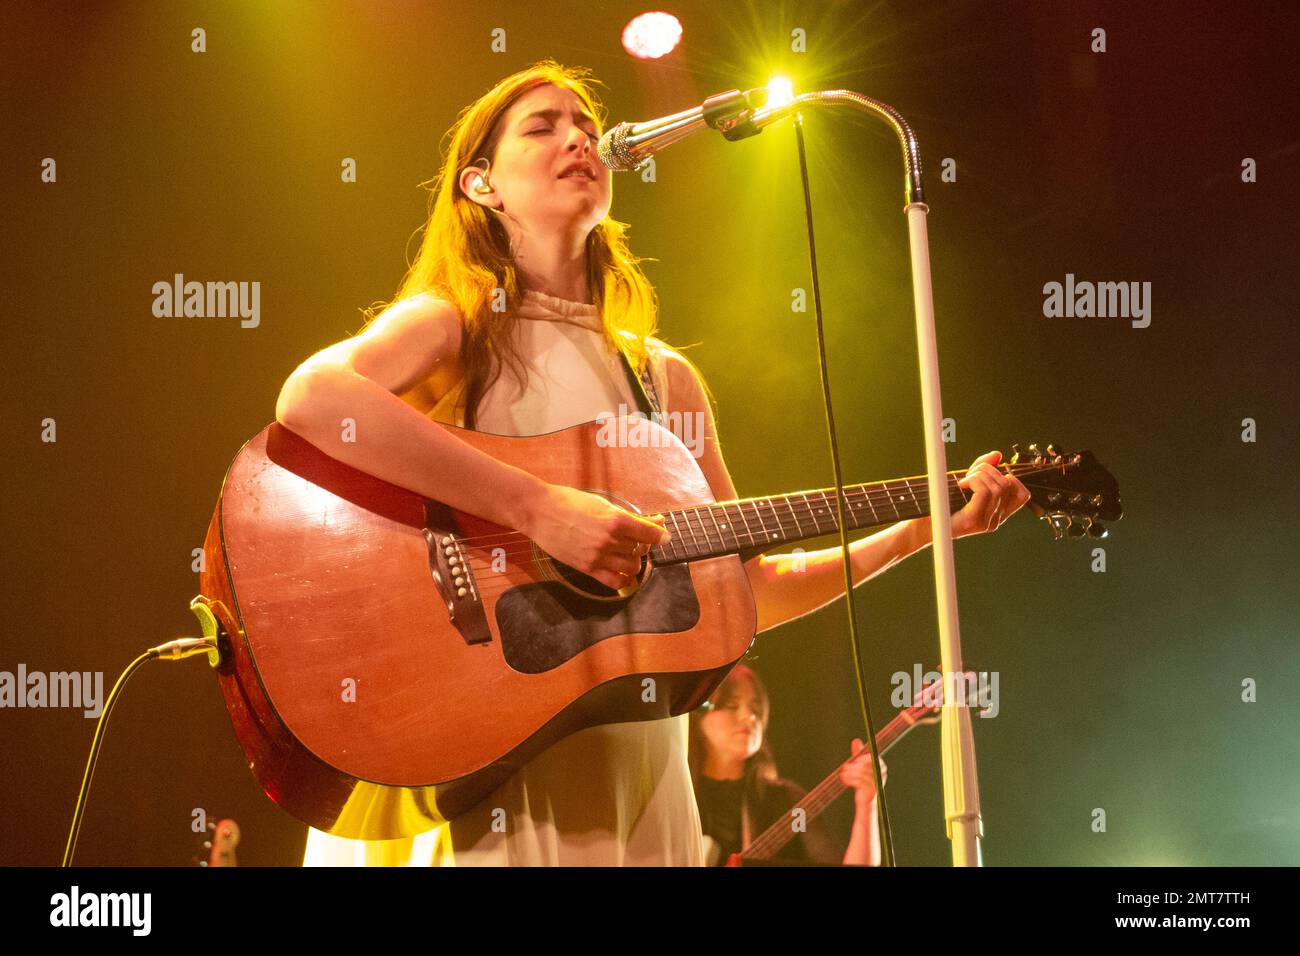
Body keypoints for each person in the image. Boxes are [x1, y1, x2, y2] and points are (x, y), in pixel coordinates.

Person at [275, 59, 1030, 866]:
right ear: (481, 184)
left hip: (640, 772)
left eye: (589, 128)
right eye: (544, 126)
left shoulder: (664, 379)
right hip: (485, 757)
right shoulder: (457, 323)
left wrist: (919, 533)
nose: (579, 139)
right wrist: (540, 511)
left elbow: (748, 590)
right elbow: (313, 397)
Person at [691, 665, 885, 866]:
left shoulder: (785, 802)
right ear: (697, 716)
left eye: (756, 709)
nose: (748, 716)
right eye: (731, 705)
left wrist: (866, 804)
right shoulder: (675, 794)